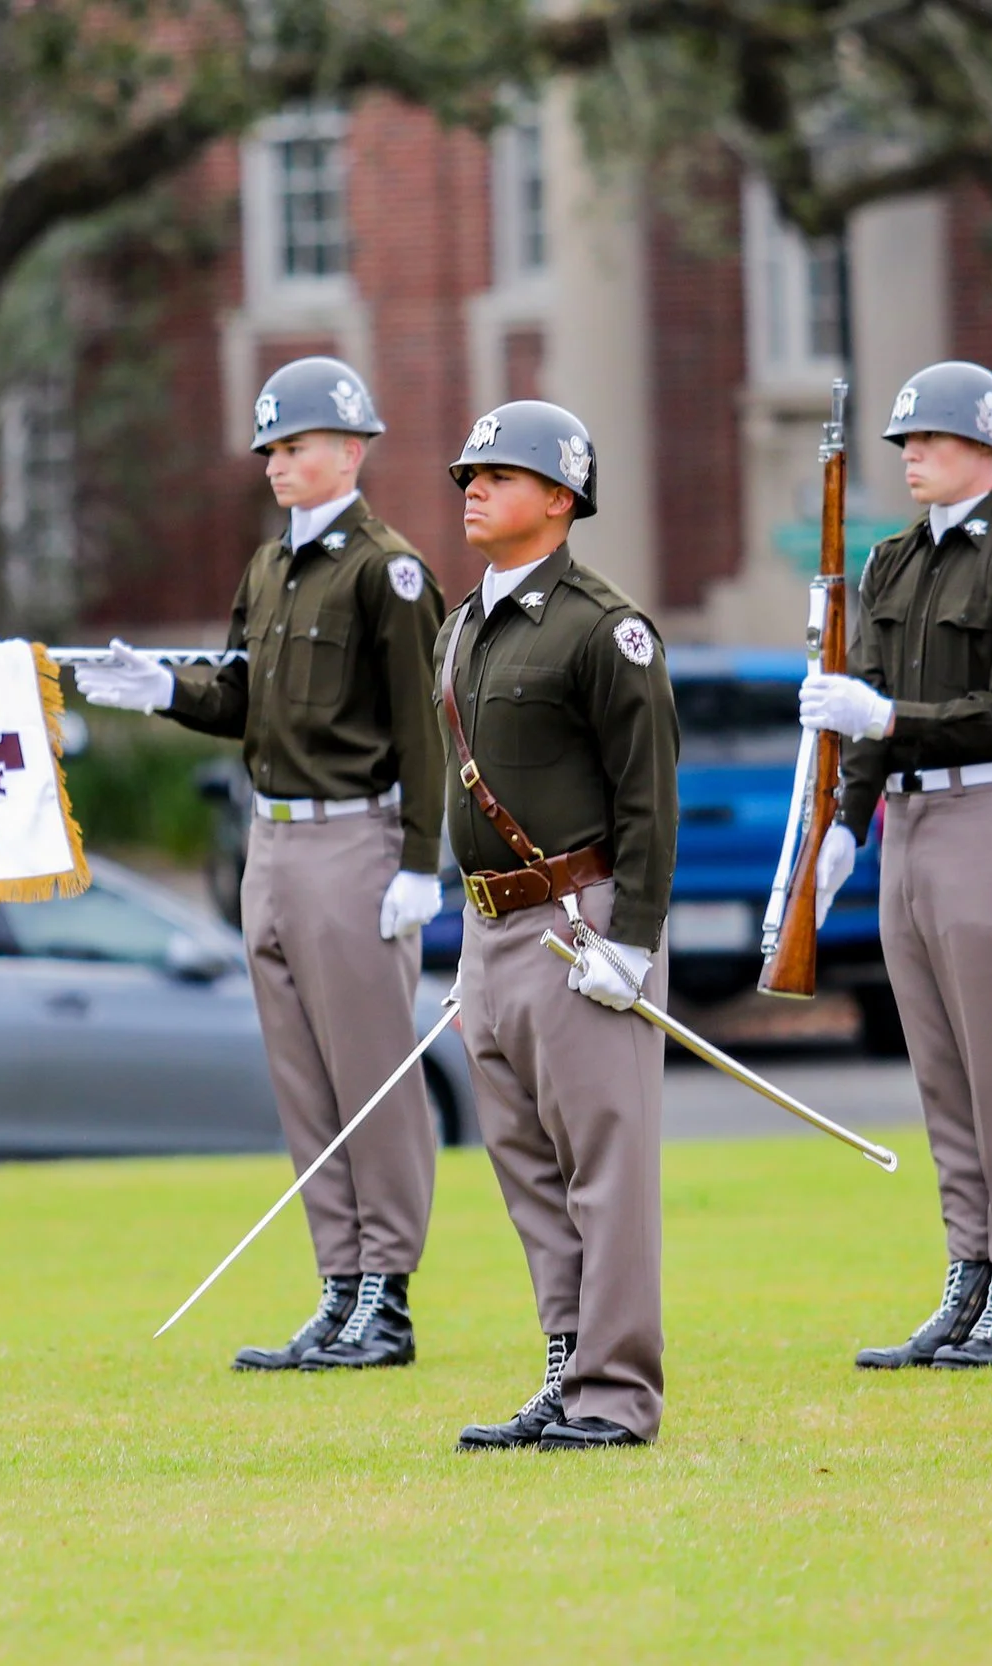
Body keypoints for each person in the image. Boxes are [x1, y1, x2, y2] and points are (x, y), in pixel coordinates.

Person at [75, 356, 444, 1374]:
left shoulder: (388, 570)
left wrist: (421, 860)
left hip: (352, 838)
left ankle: (388, 1295)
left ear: (350, 449)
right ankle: (338, 1284)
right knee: (302, 1075)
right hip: (272, 839)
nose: (276, 463)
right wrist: (161, 687)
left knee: (370, 1073)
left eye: (294, 445)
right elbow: (242, 697)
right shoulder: (269, 566)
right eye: (270, 448)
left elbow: (424, 728)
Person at [800, 361, 992, 1370]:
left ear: (984, 447)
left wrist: (885, 717)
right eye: (905, 442)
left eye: (929, 439)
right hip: (912, 835)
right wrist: (846, 822)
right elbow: (870, 705)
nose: (911, 455)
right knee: (943, 1076)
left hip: (991, 822)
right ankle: (968, 1273)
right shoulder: (893, 564)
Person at [441, 401, 681, 1451]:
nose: (473, 488)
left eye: (498, 472)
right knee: (528, 1169)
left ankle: (617, 1393)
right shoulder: (462, 624)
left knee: (605, 1168)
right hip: (491, 931)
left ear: (560, 496)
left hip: (581, 925)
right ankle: (565, 1368)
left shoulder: (602, 625)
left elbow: (648, 797)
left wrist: (630, 938)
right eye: (468, 474)